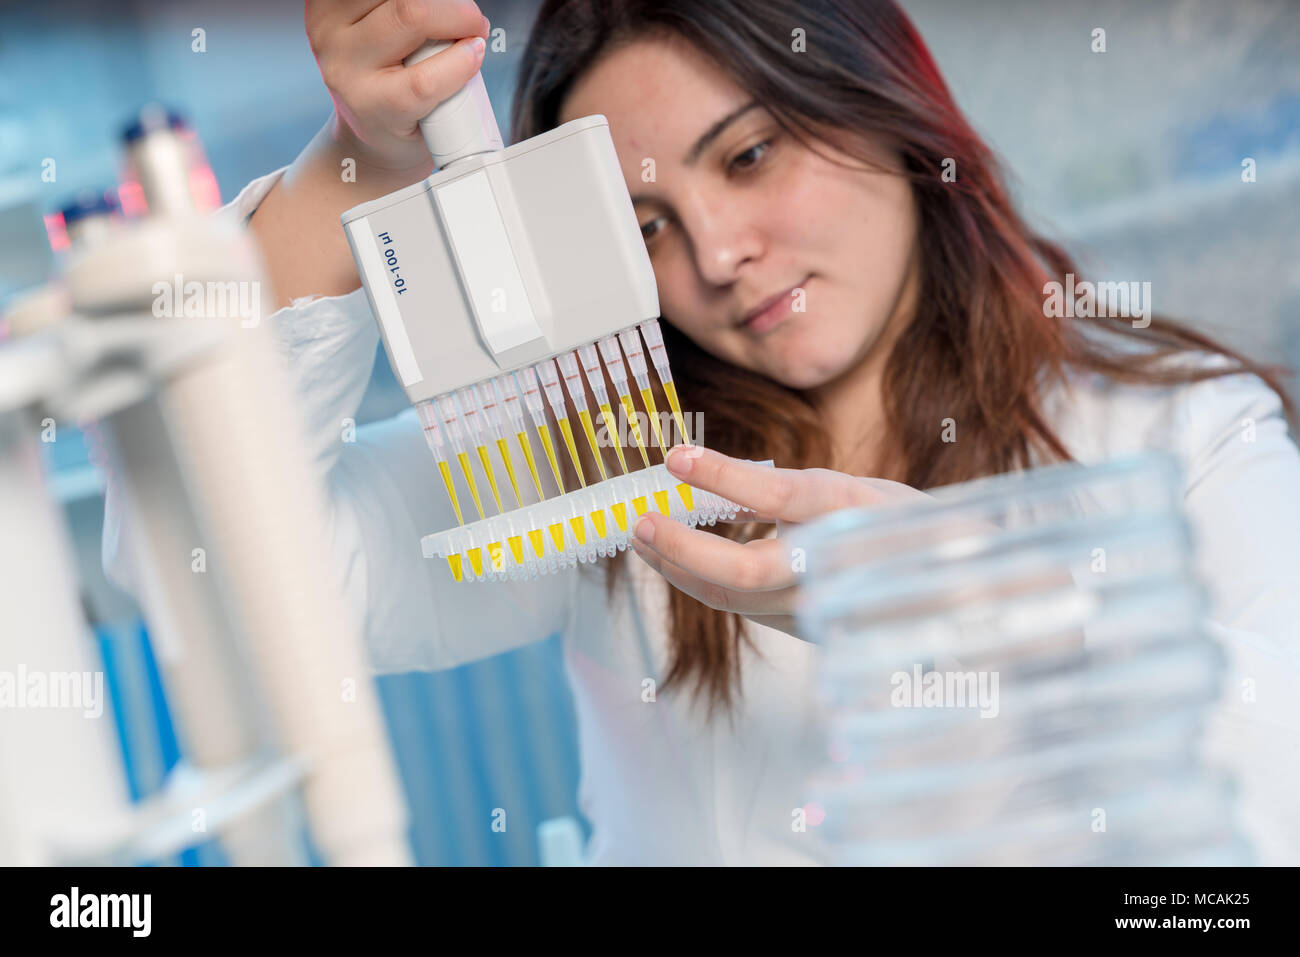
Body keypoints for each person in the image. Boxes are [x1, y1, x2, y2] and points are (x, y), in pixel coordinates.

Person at [104, 0, 1300, 864]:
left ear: (884, 107)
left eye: (751, 154)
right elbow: (214, 576)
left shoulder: (1181, 436)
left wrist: (958, 596)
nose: (717, 254)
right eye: (644, 224)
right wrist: (360, 163)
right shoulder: (612, 454)